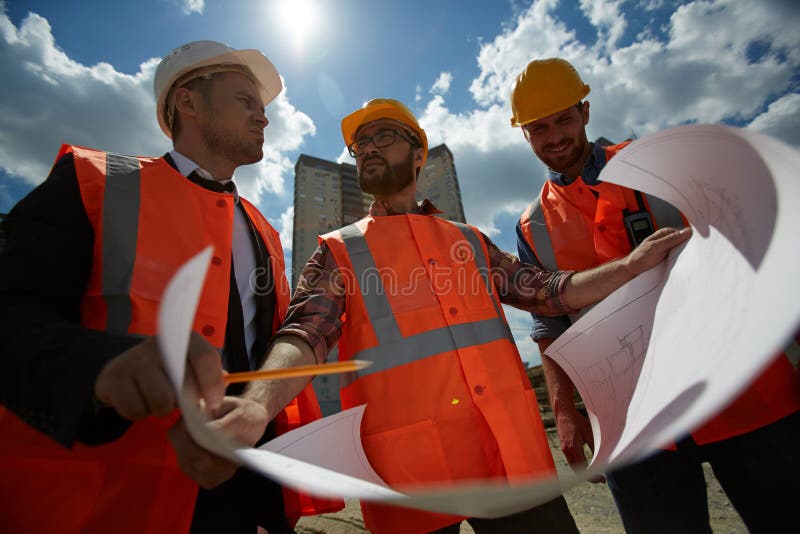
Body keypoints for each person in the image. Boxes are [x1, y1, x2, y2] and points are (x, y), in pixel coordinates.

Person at [229, 98, 690, 534]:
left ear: (418, 154)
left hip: (509, 458)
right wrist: (257, 403)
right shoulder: (340, 251)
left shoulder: (467, 240)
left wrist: (628, 267)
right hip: (411, 472)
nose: (367, 148)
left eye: (383, 136)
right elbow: (304, 332)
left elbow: (547, 293)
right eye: (360, 144)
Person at [0, 40, 340, 533]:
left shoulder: (264, 231)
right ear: (188, 101)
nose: (263, 116)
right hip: (114, 501)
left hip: (243, 486)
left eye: (262, 107)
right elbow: (12, 311)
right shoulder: (94, 182)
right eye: (245, 100)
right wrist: (100, 366)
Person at [511, 57, 800, 534]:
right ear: (525, 135)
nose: (554, 136)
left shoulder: (661, 163)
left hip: (738, 382)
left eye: (563, 119)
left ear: (585, 112)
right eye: (539, 128)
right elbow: (548, 320)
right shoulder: (531, 225)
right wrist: (564, 408)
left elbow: (754, 245)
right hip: (632, 413)